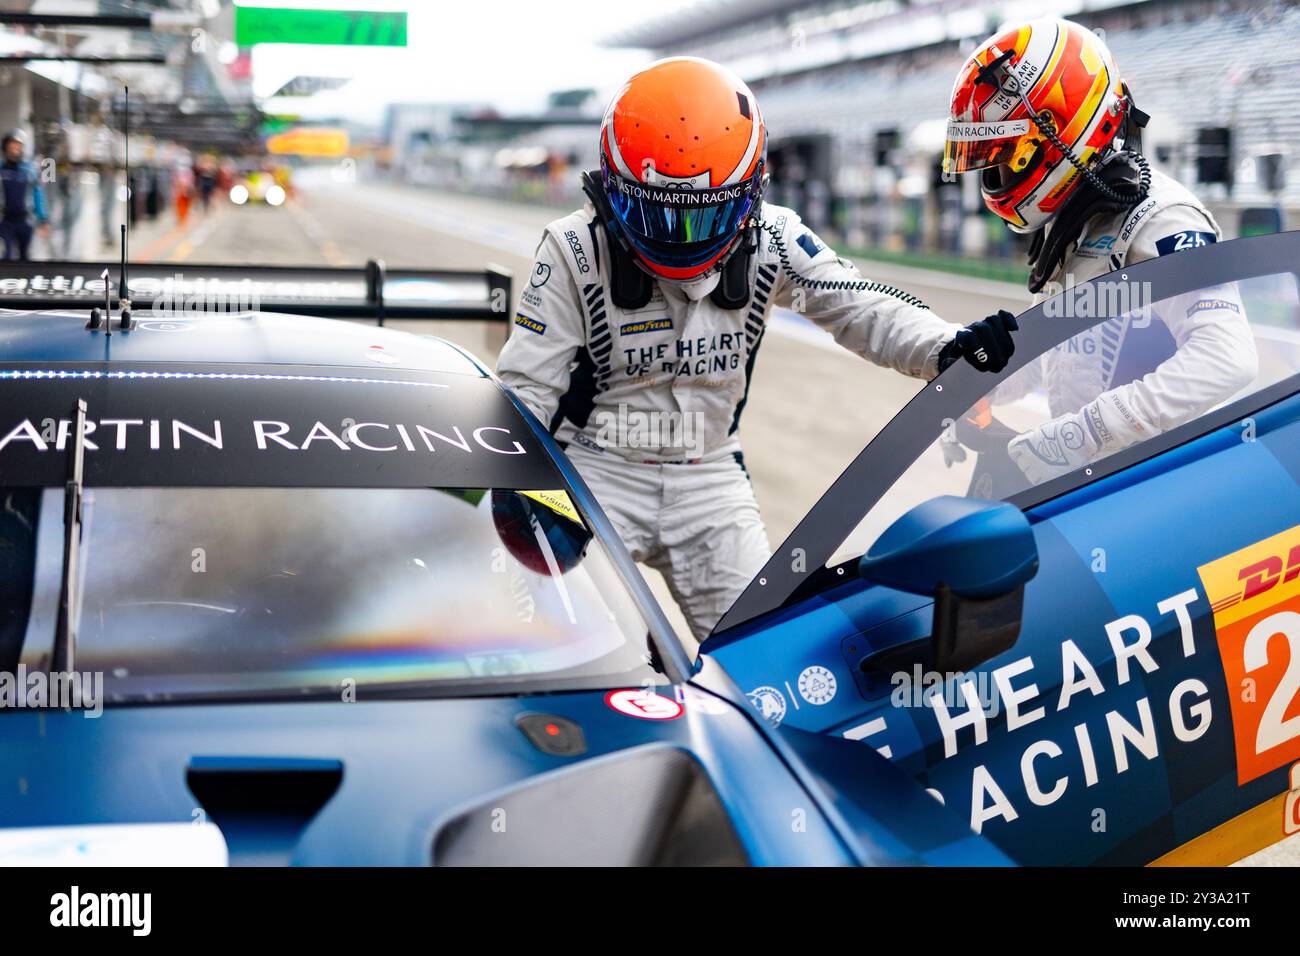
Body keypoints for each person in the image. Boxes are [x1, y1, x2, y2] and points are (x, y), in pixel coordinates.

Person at [497, 57, 1017, 638]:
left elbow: (860, 303)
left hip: (709, 477)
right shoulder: (572, 248)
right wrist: (531, 491)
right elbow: (525, 391)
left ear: (752, 192)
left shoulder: (774, 234)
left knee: (763, 654)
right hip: (595, 470)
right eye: (657, 213)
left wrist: (946, 345)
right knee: (560, 643)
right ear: (611, 185)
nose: (681, 238)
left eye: (705, 215)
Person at [943, 17, 1257, 485]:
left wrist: (1084, 433)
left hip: (1166, 487)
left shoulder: (1160, 216)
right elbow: (1060, 354)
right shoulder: (1079, 221)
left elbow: (1226, 358)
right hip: (1099, 482)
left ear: (1052, 136)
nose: (997, 173)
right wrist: (979, 390)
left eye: (1006, 154)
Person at [0, 130, 48, 261]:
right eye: (12, 145)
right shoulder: (1, 169)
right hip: (5, 221)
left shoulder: (29, 170)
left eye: (18, 145)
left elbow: (38, 194)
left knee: (25, 257)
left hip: (25, 221)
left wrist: (43, 219)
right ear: (5, 147)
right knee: (6, 255)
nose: (15, 148)